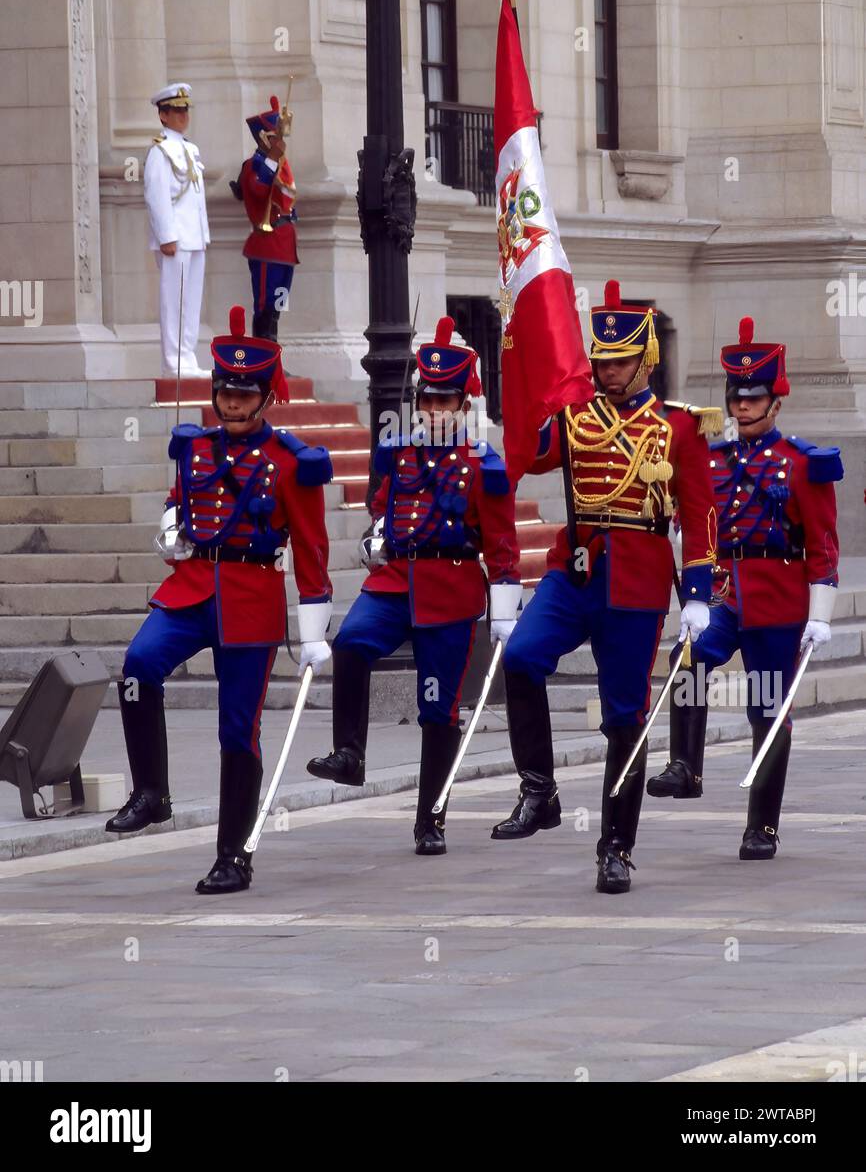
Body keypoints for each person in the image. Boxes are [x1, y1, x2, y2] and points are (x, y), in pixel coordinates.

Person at [492, 281, 720, 894]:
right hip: (576, 569)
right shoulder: (574, 414)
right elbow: (527, 454)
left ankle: (616, 846)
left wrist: (697, 593)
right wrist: (518, 365)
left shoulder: (678, 427)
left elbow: (698, 512)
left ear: (645, 360)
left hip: (637, 581)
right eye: (601, 361)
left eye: (620, 361)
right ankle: (540, 790)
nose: (609, 371)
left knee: (625, 717)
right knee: (520, 657)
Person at [106, 306, 333, 896]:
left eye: (243, 396)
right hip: (191, 589)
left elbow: (311, 545)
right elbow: (177, 502)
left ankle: (233, 856)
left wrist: (313, 625)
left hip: (251, 598)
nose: (231, 406)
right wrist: (171, 527)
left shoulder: (291, 462)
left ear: (265, 399)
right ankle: (151, 791)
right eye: (224, 395)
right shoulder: (194, 446)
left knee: (237, 731)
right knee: (138, 667)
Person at [307, 318, 522, 856]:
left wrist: (504, 605)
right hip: (394, 580)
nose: (434, 411)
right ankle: (349, 753)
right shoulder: (398, 453)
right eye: (427, 400)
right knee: (351, 644)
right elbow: (380, 507)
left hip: (450, 590)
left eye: (445, 402)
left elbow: (500, 543)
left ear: (464, 405)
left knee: (437, 710)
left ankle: (431, 819)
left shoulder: (483, 466)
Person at [647, 316, 842, 860]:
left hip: (779, 601)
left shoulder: (803, 464)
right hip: (725, 593)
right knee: (689, 660)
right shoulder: (711, 462)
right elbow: (692, 517)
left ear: (775, 403)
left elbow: (822, 544)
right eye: (736, 397)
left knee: (767, 709)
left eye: (754, 399)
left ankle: (763, 827)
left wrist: (820, 609)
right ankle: (686, 766)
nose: (742, 407)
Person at [144, 83, 211, 378]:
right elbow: (156, 196)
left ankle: (187, 356)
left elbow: (196, 199)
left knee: (191, 300)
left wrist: (203, 234)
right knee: (175, 300)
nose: (183, 116)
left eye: (185, 110)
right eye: (176, 111)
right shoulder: (160, 151)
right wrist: (166, 236)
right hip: (176, 238)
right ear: (163, 115)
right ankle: (174, 360)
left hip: (194, 236)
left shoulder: (190, 149)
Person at [231, 95, 299, 344]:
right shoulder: (255, 165)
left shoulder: (280, 165)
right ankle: (263, 360)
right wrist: (272, 158)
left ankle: (274, 363)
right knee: (264, 305)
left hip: (284, 244)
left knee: (278, 307)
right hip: (266, 245)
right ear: (263, 138)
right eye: (275, 137)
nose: (280, 142)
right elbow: (259, 190)